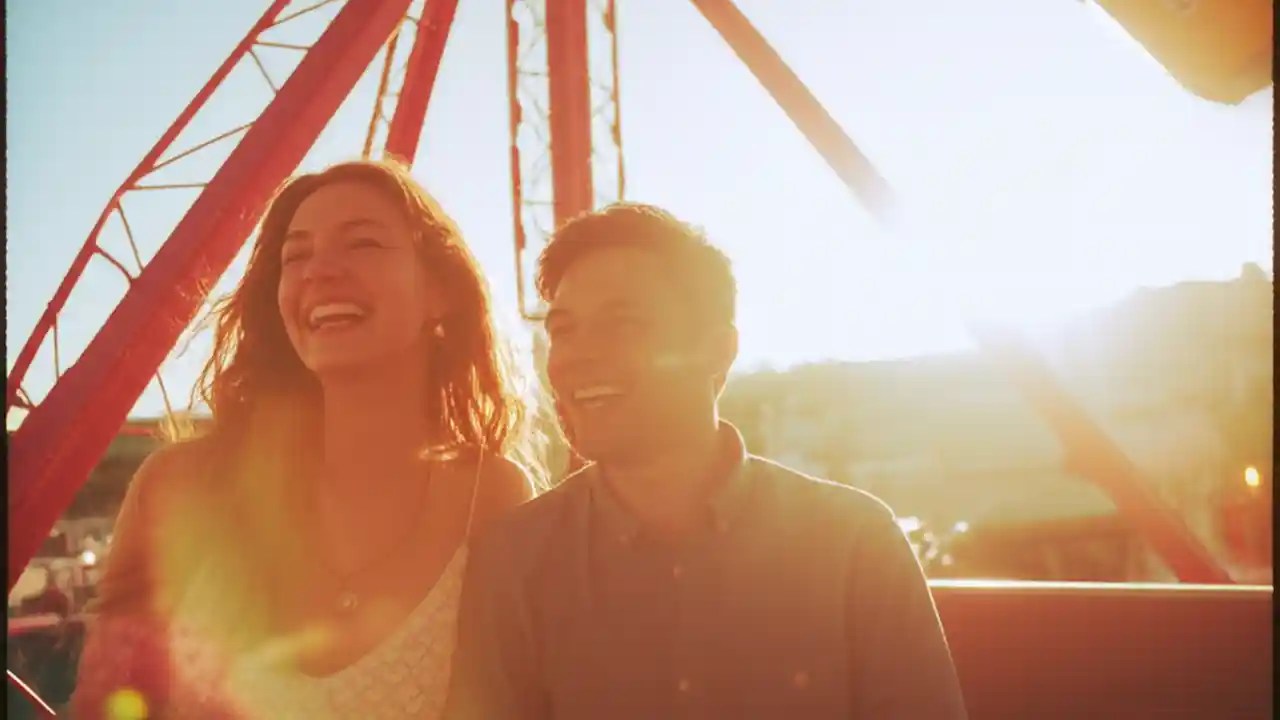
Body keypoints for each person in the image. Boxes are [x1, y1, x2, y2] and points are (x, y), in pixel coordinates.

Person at [445, 203, 968, 719]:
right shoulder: (514, 563)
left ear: (719, 350)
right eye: (564, 330)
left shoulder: (855, 542)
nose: (577, 355)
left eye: (621, 324)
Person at [72, 159, 541, 719]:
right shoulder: (178, 487)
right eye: (296, 256)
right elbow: (105, 705)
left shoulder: (490, 497)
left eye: (362, 244)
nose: (319, 272)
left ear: (439, 292)